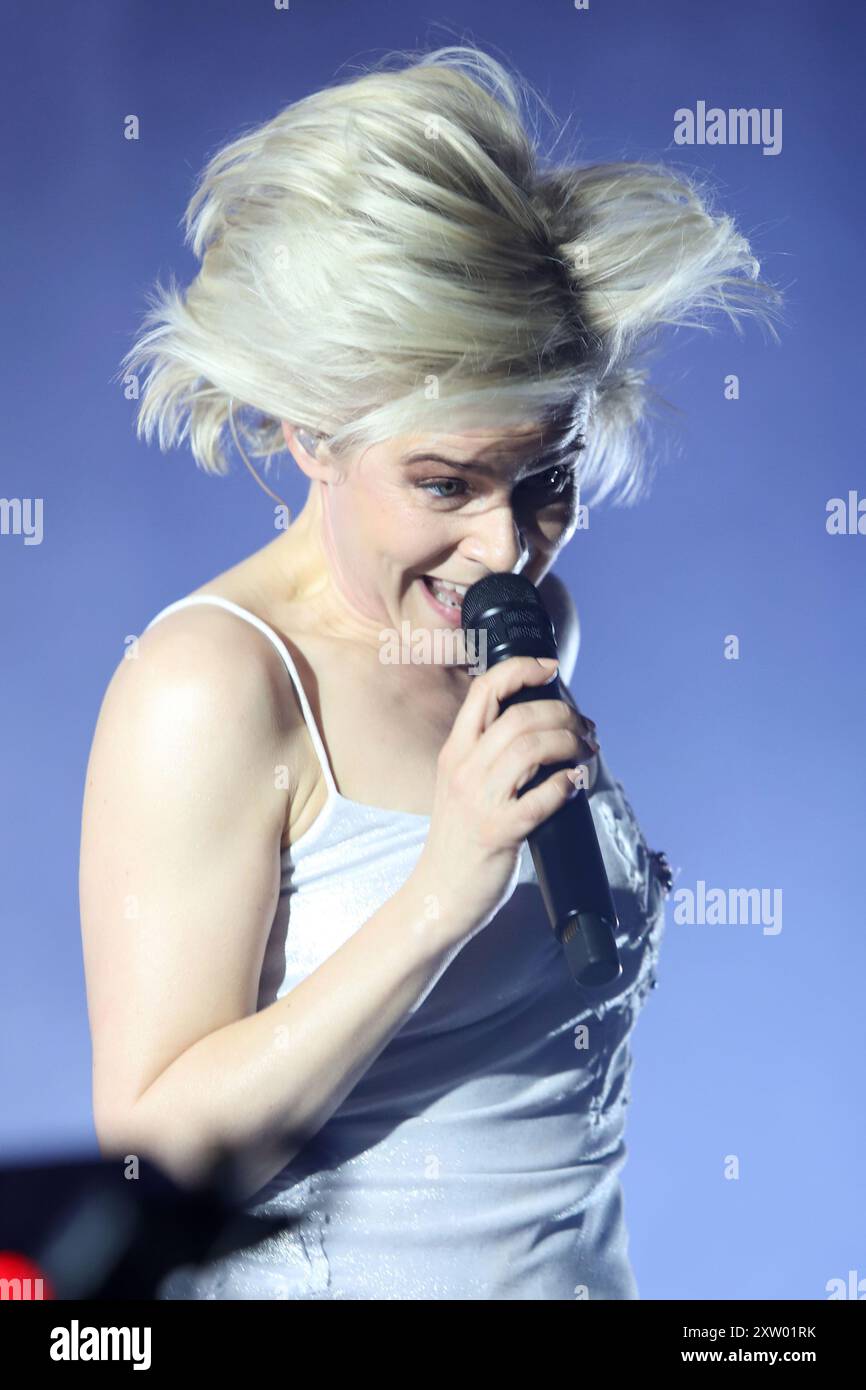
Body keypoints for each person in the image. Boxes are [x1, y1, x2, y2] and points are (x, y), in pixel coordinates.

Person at [80, 44, 780, 1299]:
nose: (504, 546)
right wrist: (436, 895)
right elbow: (151, 1164)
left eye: (545, 479)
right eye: (445, 484)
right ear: (309, 429)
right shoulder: (212, 686)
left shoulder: (528, 626)